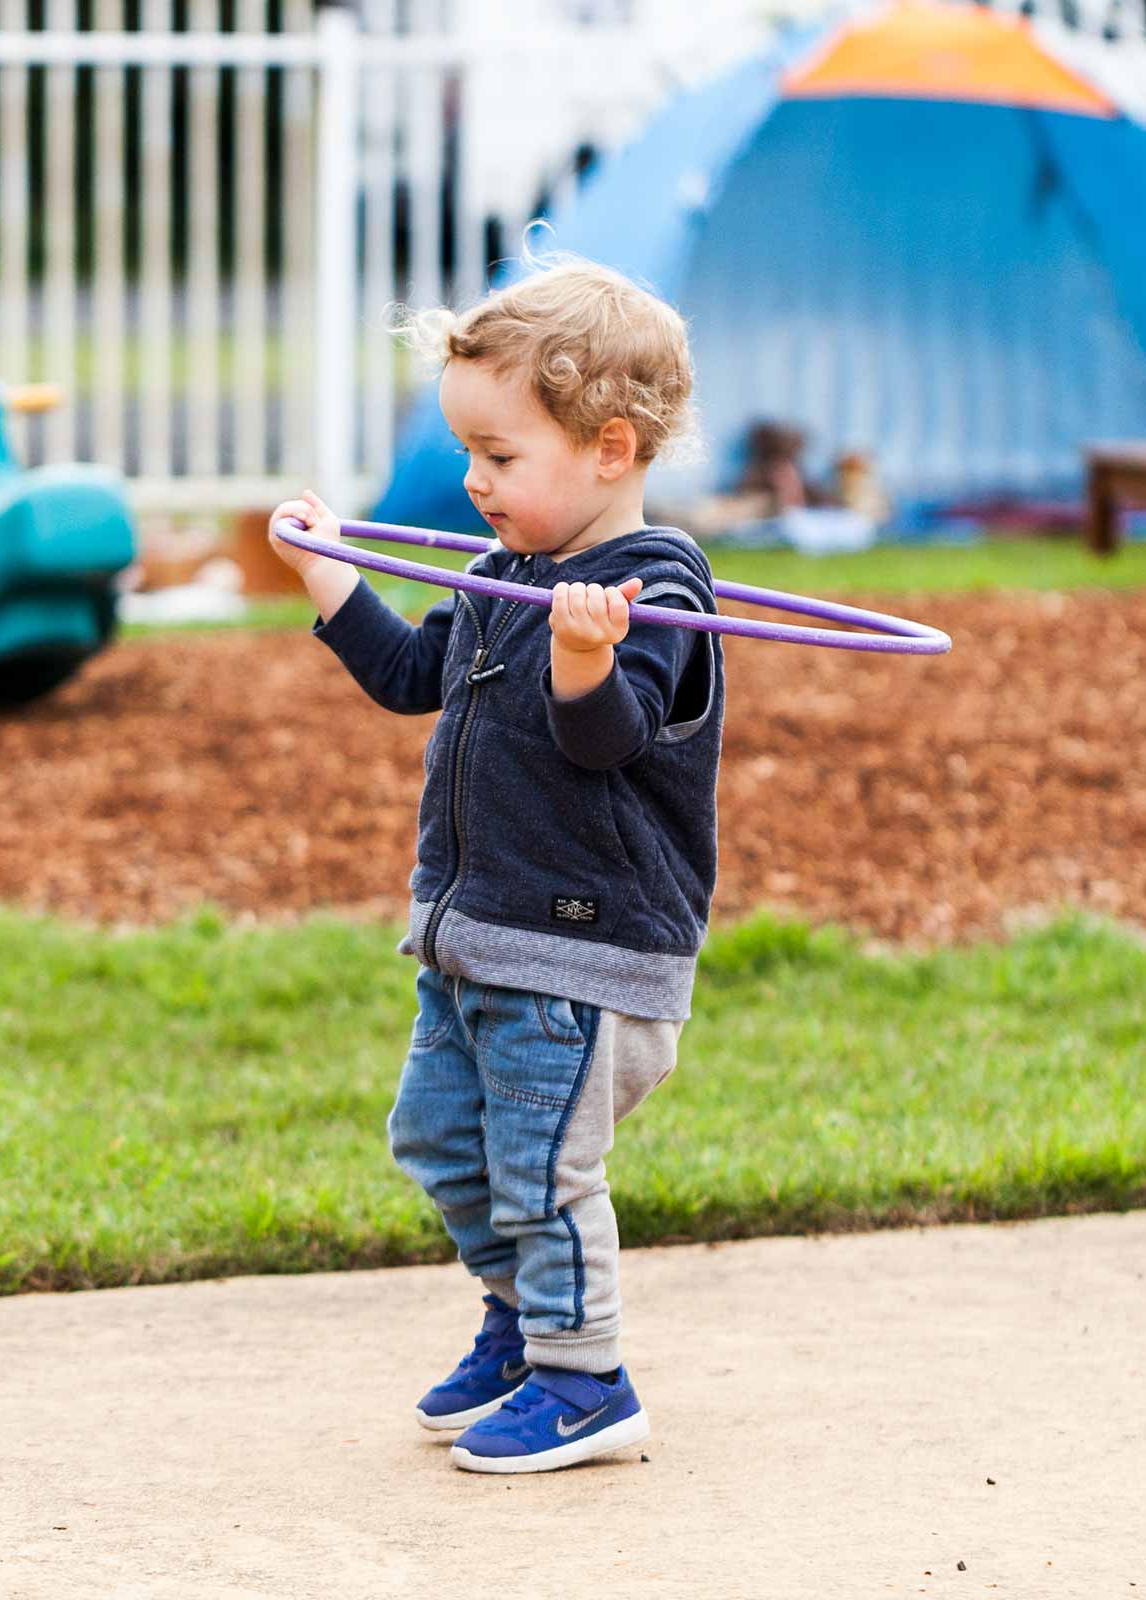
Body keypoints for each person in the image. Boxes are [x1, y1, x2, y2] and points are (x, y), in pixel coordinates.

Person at [268, 257, 722, 1474]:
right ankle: (525, 1323)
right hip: (475, 934)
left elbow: (608, 737)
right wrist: (329, 576)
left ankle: (588, 1382)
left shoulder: (660, 585)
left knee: (542, 1167)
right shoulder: (498, 575)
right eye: (467, 450)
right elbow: (414, 680)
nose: (472, 480)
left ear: (610, 448)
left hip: (584, 949)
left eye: (500, 456)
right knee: (438, 1139)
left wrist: (586, 660)